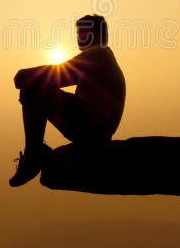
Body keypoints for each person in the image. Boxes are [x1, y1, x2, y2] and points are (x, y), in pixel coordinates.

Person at [9, 14, 126, 187]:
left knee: (33, 90)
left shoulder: (98, 54)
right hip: (95, 127)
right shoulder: (101, 56)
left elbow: (60, 74)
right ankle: (36, 153)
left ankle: (33, 156)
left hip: (95, 127)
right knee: (35, 88)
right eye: (78, 32)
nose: (78, 36)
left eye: (83, 32)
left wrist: (26, 74)